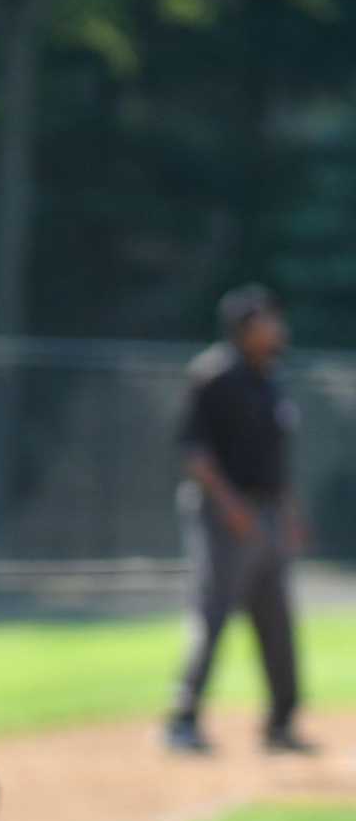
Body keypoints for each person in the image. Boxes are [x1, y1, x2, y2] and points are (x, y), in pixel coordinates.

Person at [165, 283, 314, 755]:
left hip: (268, 511)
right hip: (223, 512)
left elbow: (278, 459)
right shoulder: (215, 375)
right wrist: (231, 507)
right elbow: (195, 452)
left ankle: (281, 722)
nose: (277, 326)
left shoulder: (270, 377)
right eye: (268, 318)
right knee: (213, 613)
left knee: (276, 618)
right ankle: (183, 720)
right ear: (246, 326)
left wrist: (288, 514)